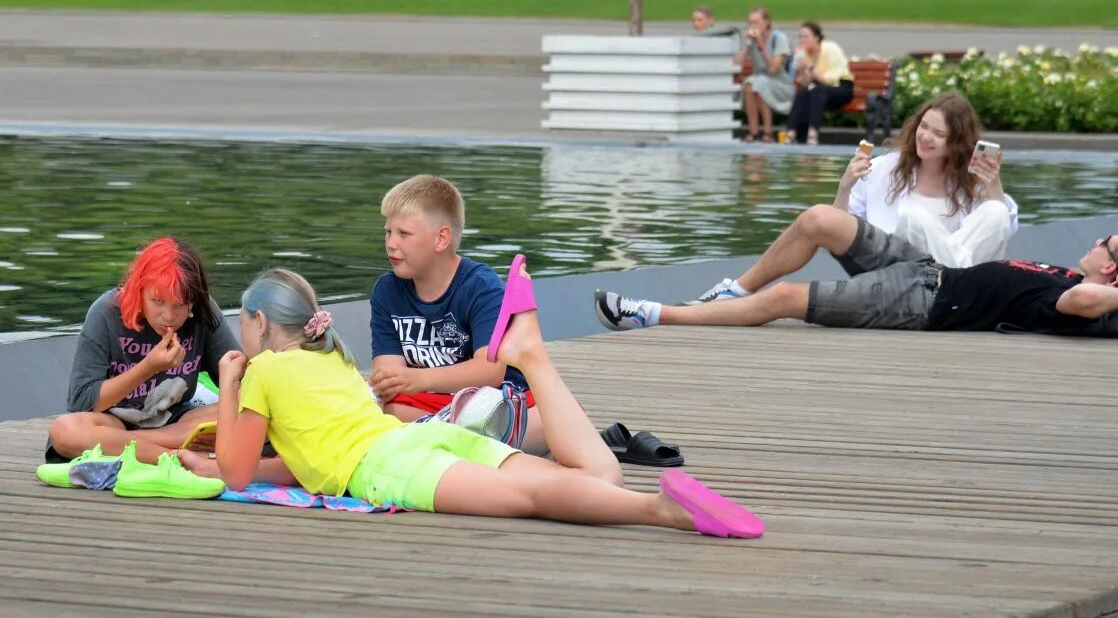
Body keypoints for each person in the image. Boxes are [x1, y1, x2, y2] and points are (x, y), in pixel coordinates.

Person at [200, 264, 764, 538]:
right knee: (597, 478)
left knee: (533, 497)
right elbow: (306, 461)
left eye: (242, 324)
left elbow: (239, 472)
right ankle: (533, 355)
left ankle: (662, 511)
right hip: (420, 440)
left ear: (261, 322)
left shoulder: (264, 370)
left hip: (394, 466)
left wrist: (228, 386)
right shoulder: (332, 355)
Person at [595, 211, 1118, 339]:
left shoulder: (1075, 296)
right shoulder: (1070, 274)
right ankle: (732, 290)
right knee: (822, 220)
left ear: (1111, 270)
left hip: (922, 303)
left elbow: (1079, 309)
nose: (1095, 242)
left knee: (789, 298)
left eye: (1107, 246)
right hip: (928, 270)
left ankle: (651, 314)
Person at [367, 175, 545, 451]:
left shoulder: (481, 287)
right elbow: (388, 371)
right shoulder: (387, 291)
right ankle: (470, 446)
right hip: (430, 402)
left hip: (495, 402)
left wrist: (419, 379)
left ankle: (454, 443)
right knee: (386, 411)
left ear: (441, 238)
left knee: (545, 423)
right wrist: (389, 381)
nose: (391, 243)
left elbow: (490, 370)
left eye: (404, 234)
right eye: (388, 232)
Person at [45, 237, 240, 463]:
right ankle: (176, 458)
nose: (169, 315)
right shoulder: (105, 312)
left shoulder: (203, 311)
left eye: (180, 304)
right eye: (158, 301)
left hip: (172, 420)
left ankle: (127, 446)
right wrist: (148, 368)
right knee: (65, 430)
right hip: (113, 420)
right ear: (139, 290)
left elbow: (242, 382)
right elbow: (81, 402)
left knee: (252, 407)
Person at [834, 92, 1018, 268]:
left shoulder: (972, 181)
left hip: (953, 282)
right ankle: (954, 279)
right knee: (915, 218)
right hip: (902, 276)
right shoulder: (882, 169)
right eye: (923, 126)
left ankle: (950, 280)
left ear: (957, 142)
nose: (925, 137)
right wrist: (844, 188)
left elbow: (997, 235)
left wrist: (994, 187)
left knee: (997, 210)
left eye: (939, 134)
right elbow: (838, 230)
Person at [786, 22, 854, 146]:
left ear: (816, 38)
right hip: (819, 91)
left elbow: (830, 81)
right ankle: (791, 133)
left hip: (840, 88)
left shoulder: (830, 48)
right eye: (800, 37)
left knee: (817, 91)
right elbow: (802, 84)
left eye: (805, 37)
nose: (802, 40)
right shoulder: (804, 55)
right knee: (804, 93)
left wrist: (810, 66)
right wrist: (801, 70)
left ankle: (812, 134)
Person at [735, 7, 792, 143]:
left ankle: (767, 132)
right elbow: (738, 64)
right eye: (750, 23)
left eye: (756, 22)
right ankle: (753, 131)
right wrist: (746, 46)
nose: (752, 26)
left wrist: (761, 45)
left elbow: (773, 69)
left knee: (759, 84)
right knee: (750, 85)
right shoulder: (751, 40)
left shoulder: (779, 38)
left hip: (782, 83)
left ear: (766, 22)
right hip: (759, 81)